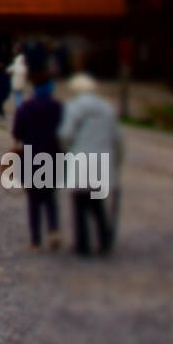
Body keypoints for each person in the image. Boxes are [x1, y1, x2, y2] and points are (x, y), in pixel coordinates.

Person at [58, 72, 124, 255]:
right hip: (101, 163)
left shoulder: (74, 108)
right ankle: (104, 241)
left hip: (81, 161)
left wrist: (64, 151)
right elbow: (117, 138)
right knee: (97, 204)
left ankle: (83, 244)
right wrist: (117, 162)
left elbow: (65, 135)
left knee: (79, 204)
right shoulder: (107, 109)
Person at [11, 67, 62, 251]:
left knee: (33, 201)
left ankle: (36, 240)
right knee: (50, 197)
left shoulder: (25, 107)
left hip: (31, 157)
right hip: (53, 156)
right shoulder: (57, 107)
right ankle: (54, 230)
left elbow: (17, 132)